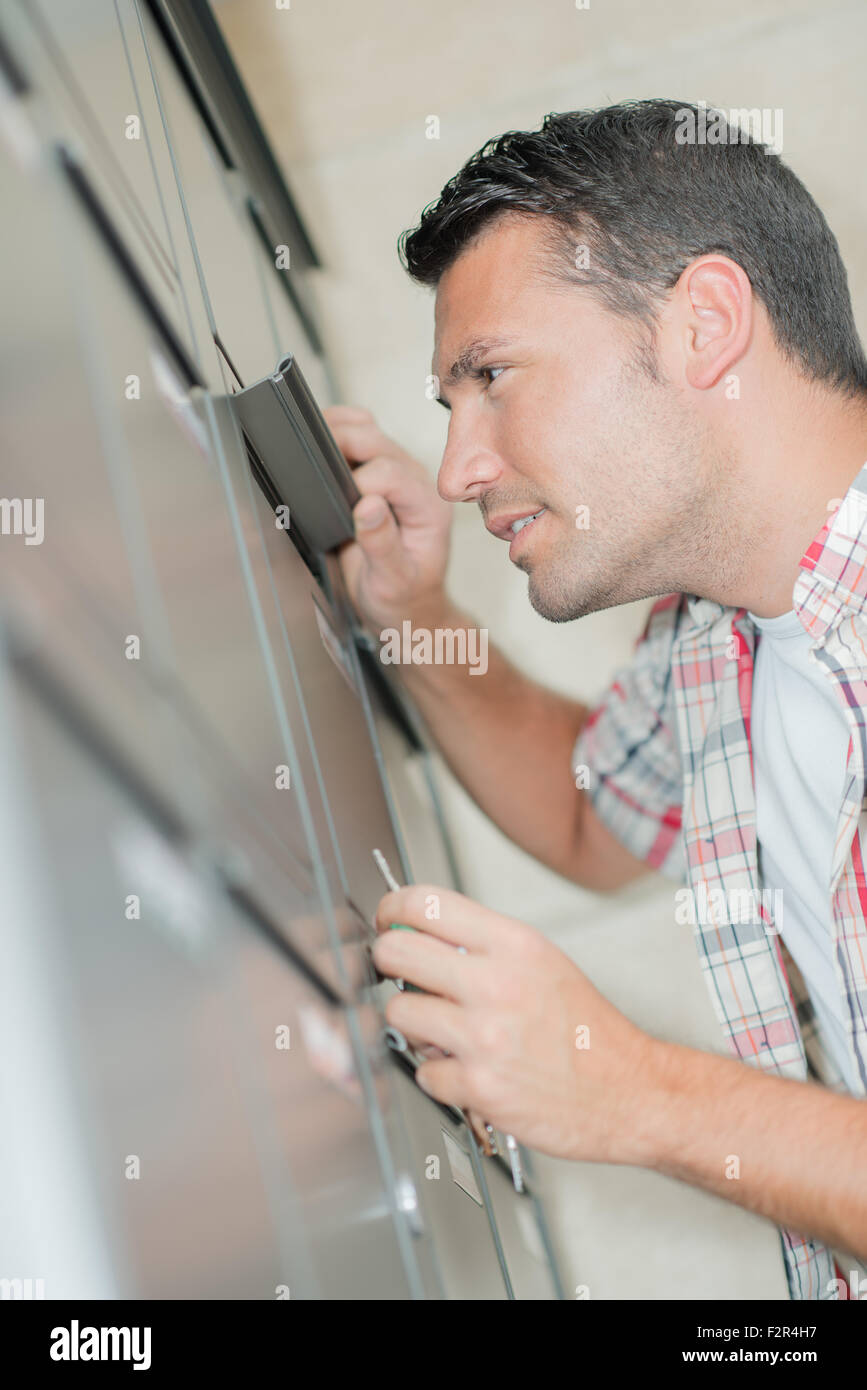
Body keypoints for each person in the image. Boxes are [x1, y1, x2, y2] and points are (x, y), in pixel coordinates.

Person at [324, 100, 867, 1300]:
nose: (461, 470)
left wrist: (626, 1088)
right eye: (448, 407)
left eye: (494, 376)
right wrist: (411, 613)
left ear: (705, 325)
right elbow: (590, 813)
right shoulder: (718, 626)